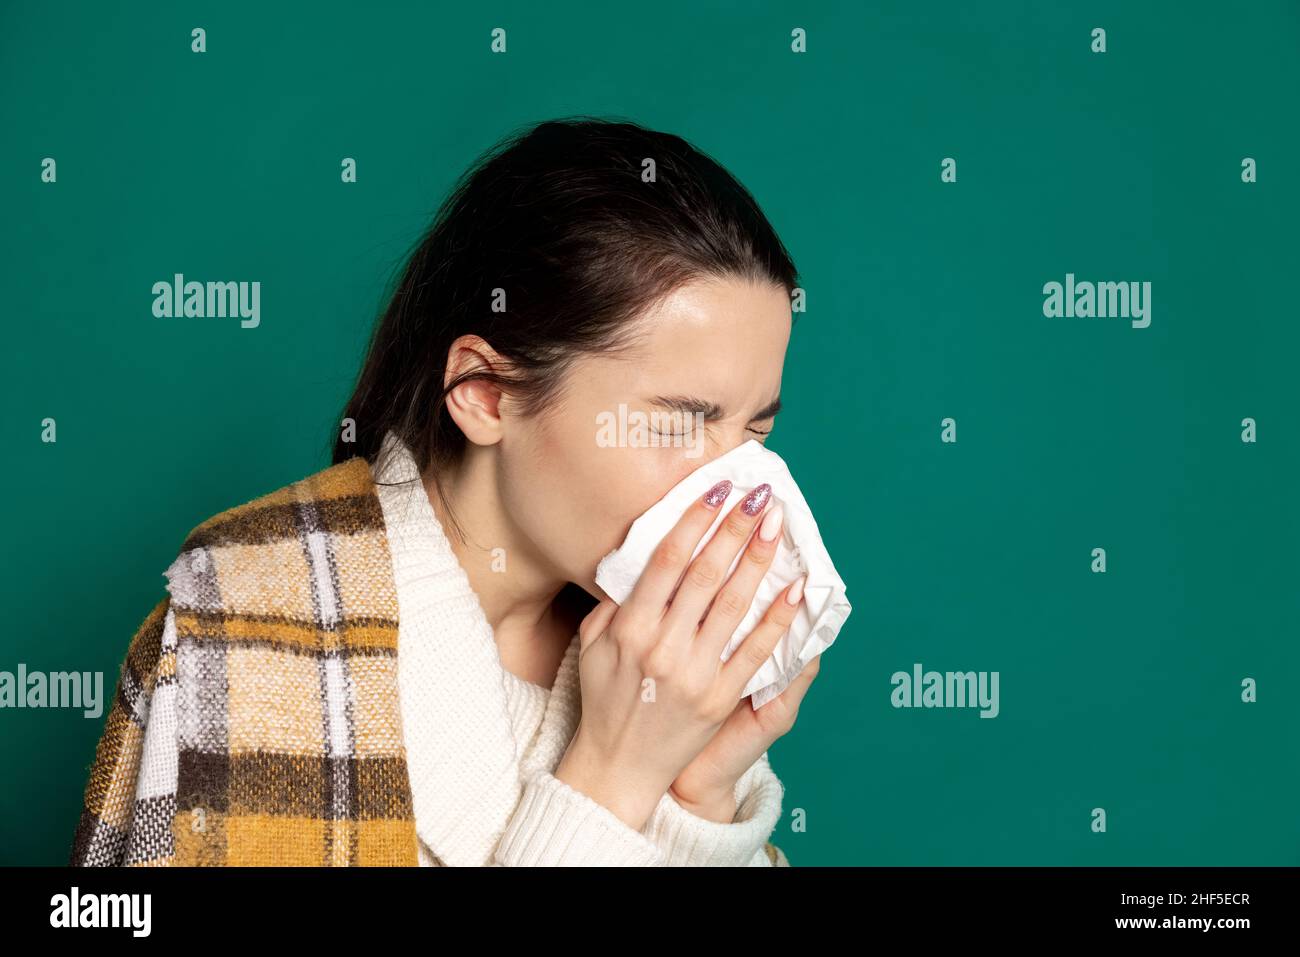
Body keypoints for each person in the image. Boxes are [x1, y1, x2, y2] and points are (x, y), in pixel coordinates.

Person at [71, 116, 819, 867]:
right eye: (680, 425)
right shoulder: (248, 619)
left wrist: (697, 800)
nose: (733, 488)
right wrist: (612, 782)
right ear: (486, 393)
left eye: (755, 434)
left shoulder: (664, 674)